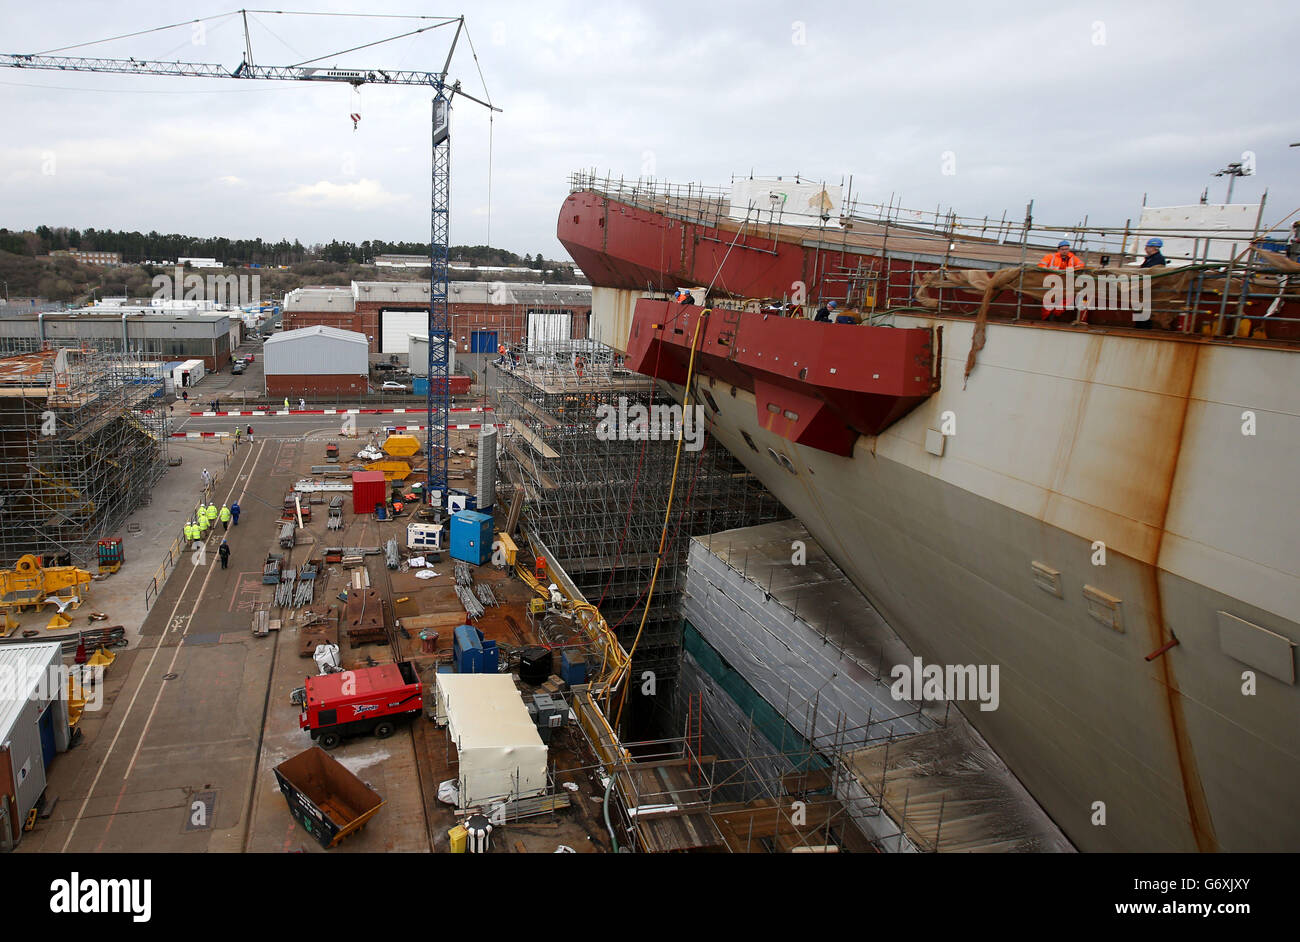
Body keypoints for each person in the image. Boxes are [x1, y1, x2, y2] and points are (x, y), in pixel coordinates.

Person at [1038, 240, 1085, 322]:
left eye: (1066, 249)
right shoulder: (1050, 257)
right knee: (1048, 301)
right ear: (1058, 249)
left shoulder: (1072, 257)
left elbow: (1081, 266)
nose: (1065, 251)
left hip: (1066, 284)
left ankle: (1056, 315)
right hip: (1051, 283)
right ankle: (1046, 318)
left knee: (1066, 299)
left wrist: (1071, 270)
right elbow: (1041, 265)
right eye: (1063, 249)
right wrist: (1054, 271)